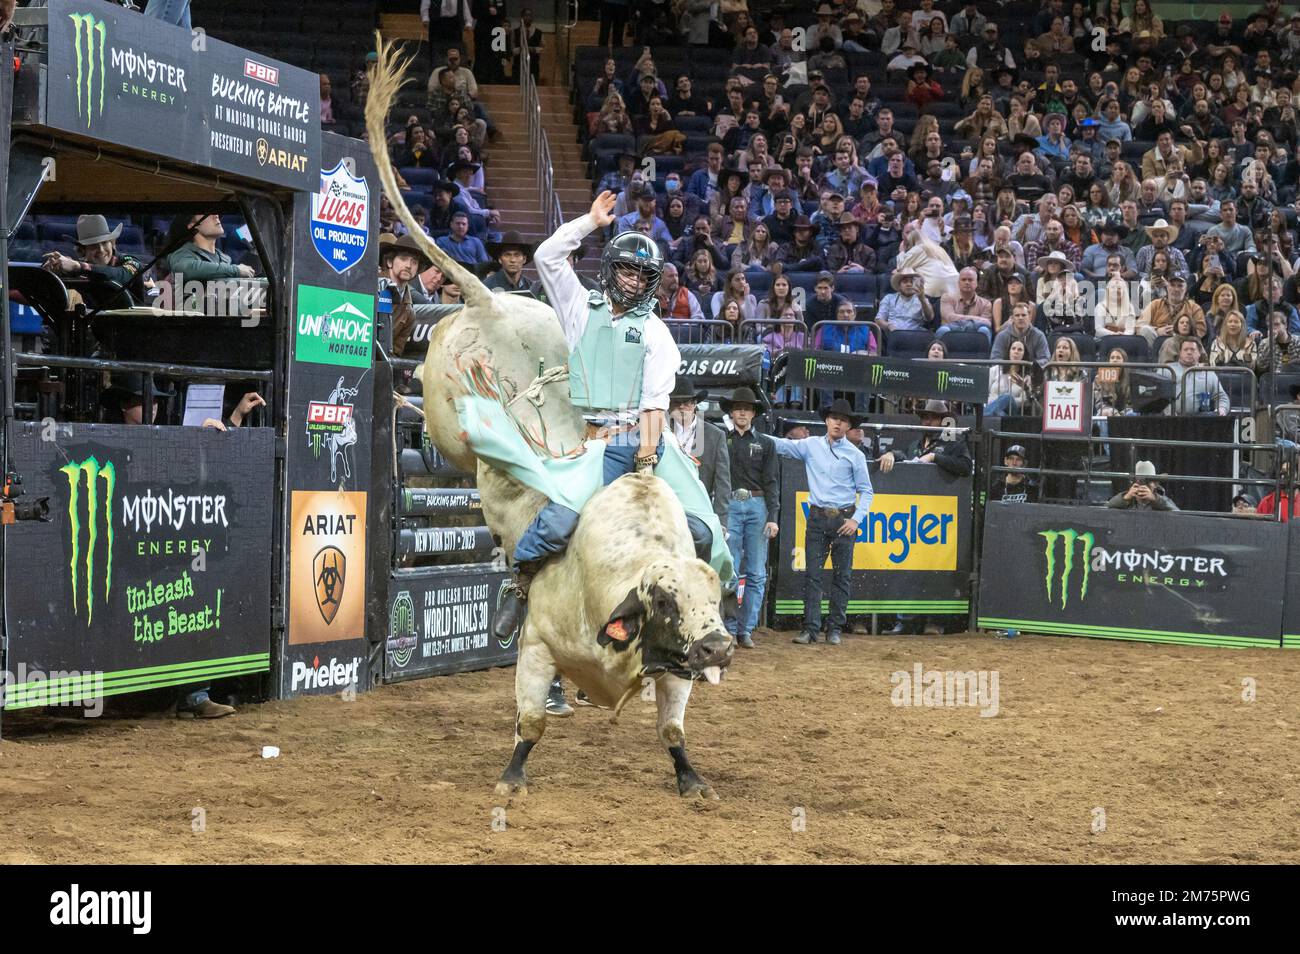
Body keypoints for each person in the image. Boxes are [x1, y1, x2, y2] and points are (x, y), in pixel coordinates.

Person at [491, 192, 720, 639]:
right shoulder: (580, 309)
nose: (634, 281)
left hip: (640, 439)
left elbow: (656, 405)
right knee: (558, 522)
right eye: (627, 270)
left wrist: (647, 464)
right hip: (592, 440)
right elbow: (547, 256)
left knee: (702, 527)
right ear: (612, 270)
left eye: (643, 275)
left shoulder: (656, 333)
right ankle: (518, 585)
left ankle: (699, 612)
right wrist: (590, 223)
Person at [775, 400, 873, 647]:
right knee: (813, 575)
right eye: (834, 418)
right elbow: (781, 445)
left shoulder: (856, 455)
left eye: (843, 419)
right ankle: (811, 629)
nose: (838, 422)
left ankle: (835, 628)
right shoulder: (810, 446)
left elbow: (867, 492)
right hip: (818, 517)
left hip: (843, 519)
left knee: (842, 576)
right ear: (827, 421)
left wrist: (855, 520)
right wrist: (754, 435)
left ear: (849, 425)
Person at [877, 400, 972, 635]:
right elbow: (906, 457)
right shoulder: (915, 445)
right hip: (916, 518)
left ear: (943, 420)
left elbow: (965, 466)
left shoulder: (952, 442)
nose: (927, 421)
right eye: (925, 417)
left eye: (932, 417)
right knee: (911, 570)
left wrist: (934, 459)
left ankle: (935, 621)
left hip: (941, 516)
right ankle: (905, 621)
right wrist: (891, 454)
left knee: (937, 568)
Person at [720, 387, 779, 649]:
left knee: (756, 572)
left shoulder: (767, 443)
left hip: (757, 505)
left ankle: (745, 629)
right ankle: (730, 628)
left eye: (746, 408)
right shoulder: (720, 439)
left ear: (753, 413)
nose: (742, 412)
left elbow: (772, 482)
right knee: (729, 570)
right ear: (731, 412)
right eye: (737, 408)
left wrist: (773, 516)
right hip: (730, 504)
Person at [42, 214, 147, 310]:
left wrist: (79, 267)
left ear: (112, 244)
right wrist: (49, 273)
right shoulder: (78, 268)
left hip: (134, 327)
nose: (101, 249)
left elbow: (120, 275)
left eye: (105, 242)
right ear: (82, 251)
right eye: (93, 245)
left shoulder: (131, 262)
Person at [669, 377, 730, 540]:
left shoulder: (715, 435)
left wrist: (721, 521)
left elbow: (722, 483)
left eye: (686, 402)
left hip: (701, 509)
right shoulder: (661, 432)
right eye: (676, 402)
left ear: (695, 404)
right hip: (666, 508)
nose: (681, 407)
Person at [1167, 337, 1229, 416]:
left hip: (1200, 421)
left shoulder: (1209, 374)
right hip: (1171, 419)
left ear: (1199, 353)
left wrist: (1221, 409)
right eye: (1185, 349)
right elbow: (1158, 397)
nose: (1189, 352)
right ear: (1180, 353)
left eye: (1193, 349)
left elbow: (1221, 397)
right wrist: (1170, 413)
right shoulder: (1167, 370)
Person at [1107, 460, 1178, 511]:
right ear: (1134, 484)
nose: (1144, 486)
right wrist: (1125, 498)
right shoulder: (1128, 500)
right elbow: (1105, 510)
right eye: (1140, 482)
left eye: (1148, 482)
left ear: (1156, 484)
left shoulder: (1162, 500)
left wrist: (1155, 499)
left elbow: (1177, 514)